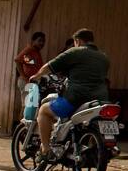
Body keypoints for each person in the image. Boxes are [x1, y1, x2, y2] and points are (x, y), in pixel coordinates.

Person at [30, 28, 110, 162]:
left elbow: (50, 66)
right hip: (100, 99)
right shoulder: (104, 57)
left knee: (44, 110)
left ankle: (45, 149)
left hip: (76, 98)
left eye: (75, 42)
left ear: (77, 41)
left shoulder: (75, 51)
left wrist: (36, 76)